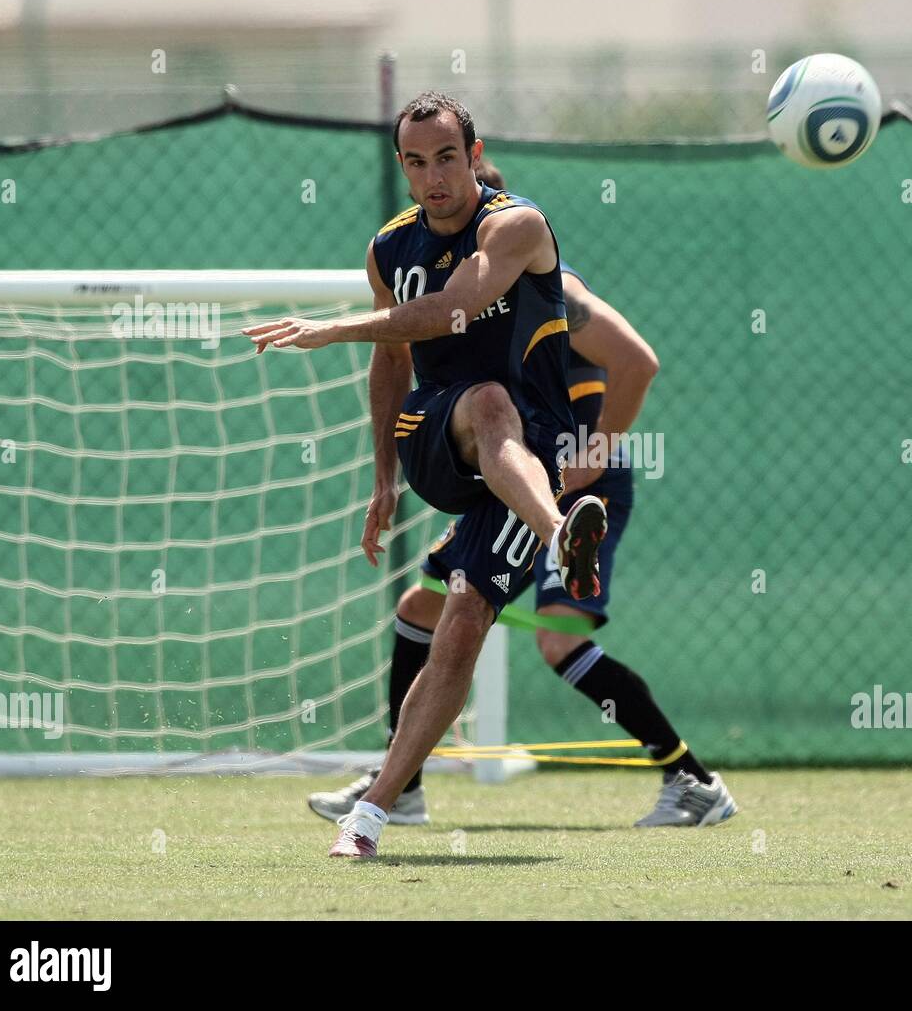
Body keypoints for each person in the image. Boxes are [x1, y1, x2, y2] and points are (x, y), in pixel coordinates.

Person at [306, 158, 738, 829]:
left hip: (568, 476)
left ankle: (692, 779)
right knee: (424, 605)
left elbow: (637, 362)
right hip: (508, 467)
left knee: (555, 640)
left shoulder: (551, 289)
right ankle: (405, 780)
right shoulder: (452, 298)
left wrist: (592, 456)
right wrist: (389, 472)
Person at [244, 92, 606, 858]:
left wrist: (333, 326)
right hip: (435, 433)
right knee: (482, 399)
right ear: (402, 167)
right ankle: (560, 535)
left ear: (474, 156)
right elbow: (393, 358)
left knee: (465, 618)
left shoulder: (517, 225)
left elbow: (455, 308)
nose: (433, 175)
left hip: (526, 455)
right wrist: (382, 478)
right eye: (416, 161)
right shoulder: (388, 250)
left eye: (447, 157)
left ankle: (375, 811)